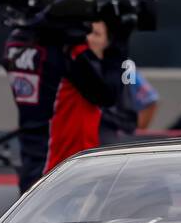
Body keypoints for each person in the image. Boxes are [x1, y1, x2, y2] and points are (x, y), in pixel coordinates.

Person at [44, 18, 127, 171]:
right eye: (85, 33)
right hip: (64, 165)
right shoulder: (73, 62)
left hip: (96, 156)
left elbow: (146, 100)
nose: (88, 38)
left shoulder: (120, 73)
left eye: (96, 34)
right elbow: (105, 94)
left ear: (107, 42)